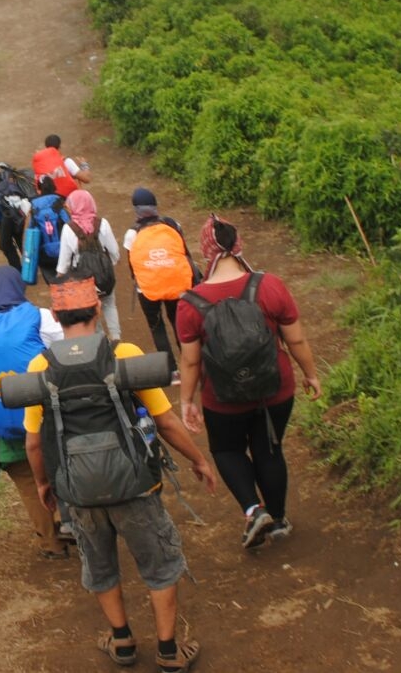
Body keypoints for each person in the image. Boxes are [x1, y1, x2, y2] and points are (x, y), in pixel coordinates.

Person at [25, 277, 217, 671]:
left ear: (57, 317)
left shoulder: (40, 366)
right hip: (135, 485)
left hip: (77, 491)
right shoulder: (123, 353)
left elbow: (32, 442)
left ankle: (123, 642)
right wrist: (198, 459)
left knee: (100, 565)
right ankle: (167, 651)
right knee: (159, 563)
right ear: (97, 310)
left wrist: (45, 484)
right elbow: (164, 421)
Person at [176, 215, 321, 550]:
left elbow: (191, 360)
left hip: (223, 399)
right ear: (238, 245)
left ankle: (254, 510)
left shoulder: (190, 303)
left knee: (226, 449)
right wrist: (310, 374)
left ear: (205, 251)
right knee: (269, 449)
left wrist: (187, 400)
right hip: (275, 389)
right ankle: (280, 520)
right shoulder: (270, 286)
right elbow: (296, 341)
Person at [0, 267, 65, 557]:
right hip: (45, 419)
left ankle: (50, 543)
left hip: (1, 425)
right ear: (20, 288)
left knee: (29, 485)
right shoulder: (37, 316)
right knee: (59, 471)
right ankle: (70, 524)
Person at [122, 187, 201, 380]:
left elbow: (132, 262)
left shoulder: (132, 233)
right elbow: (183, 252)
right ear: (155, 205)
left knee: (157, 327)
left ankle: (172, 372)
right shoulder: (173, 224)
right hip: (176, 283)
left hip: (148, 288)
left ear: (136, 209)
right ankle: (190, 365)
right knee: (178, 323)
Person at [55, 189, 122, 340]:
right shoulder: (102, 224)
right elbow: (114, 252)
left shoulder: (69, 229)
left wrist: (59, 280)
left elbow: (64, 263)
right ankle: (116, 339)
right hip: (105, 276)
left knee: (90, 311)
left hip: (83, 279)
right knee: (110, 305)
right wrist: (107, 265)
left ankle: (100, 342)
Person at [27, 175, 70, 285]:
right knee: (69, 282)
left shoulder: (34, 208)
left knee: (53, 285)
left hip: (45, 256)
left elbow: (31, 234)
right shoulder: (60, 204)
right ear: (54, 187)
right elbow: (70, 225)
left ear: (39, 189)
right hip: (65, 252)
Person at [32, 134, 91, 199]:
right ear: (59, 146)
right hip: (68, 200)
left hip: (49, 200)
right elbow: (86, 179)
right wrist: (84, 164)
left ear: (46, 147)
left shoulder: (41, 162)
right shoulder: (66, 162)